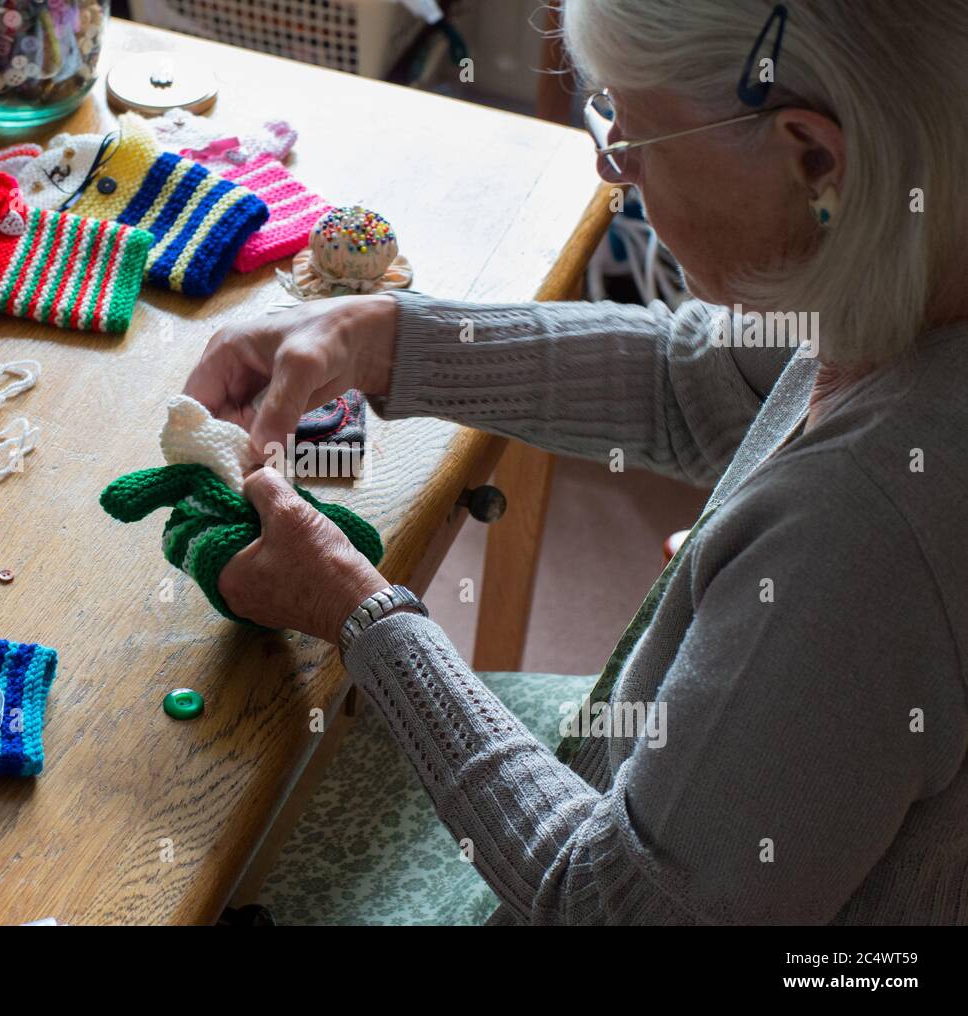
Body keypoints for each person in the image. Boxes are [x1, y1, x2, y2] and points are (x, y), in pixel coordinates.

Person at [182, 0, 968, 924]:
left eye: (632, 134)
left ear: (814, 160)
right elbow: (697, 384)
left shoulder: (857, 533)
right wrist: (378, 336)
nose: (610, 165)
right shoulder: (920, 273)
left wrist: (361, 617)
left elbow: (610, 912)